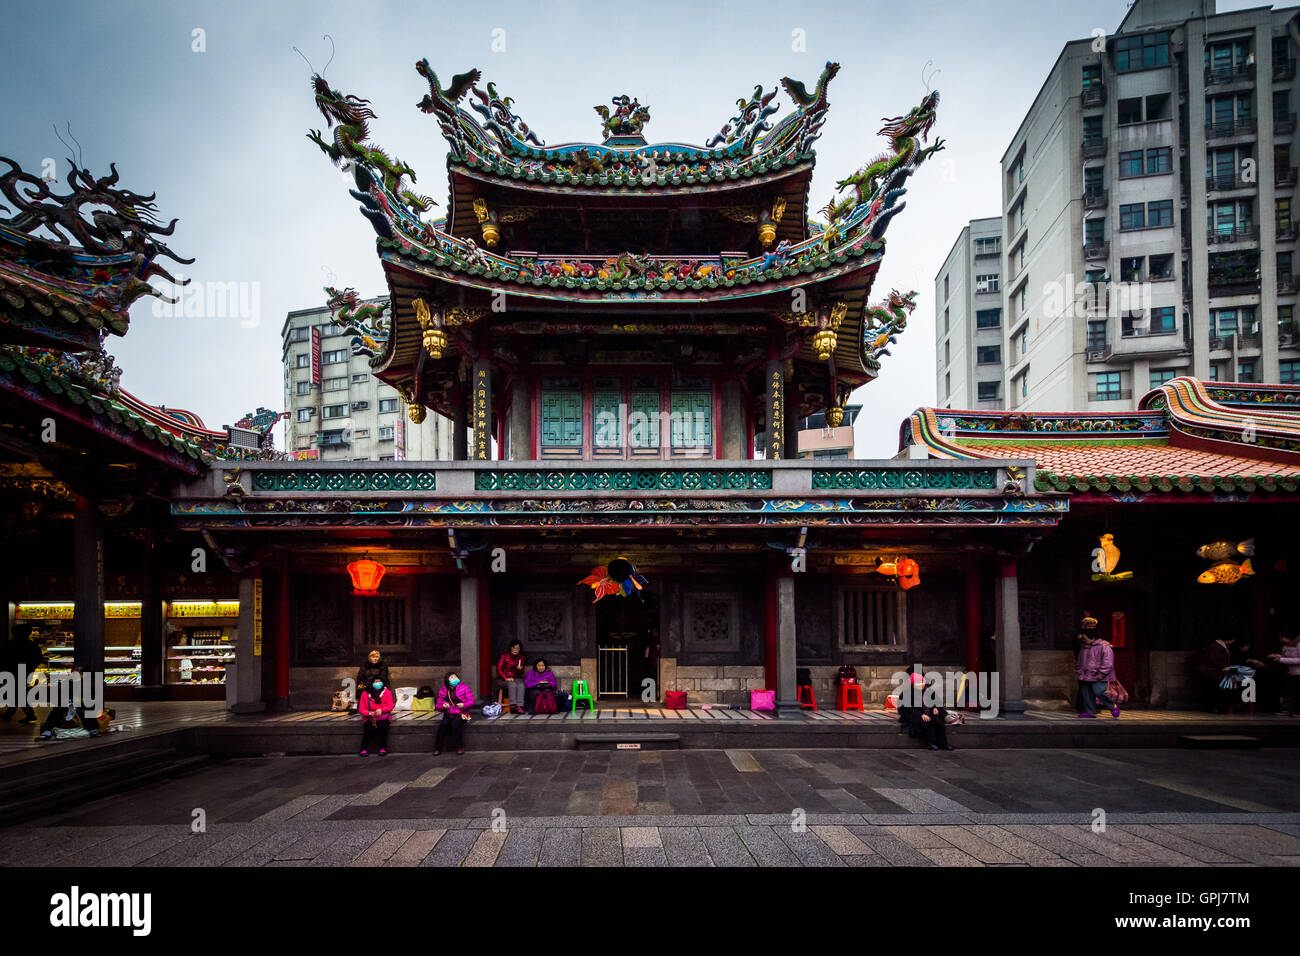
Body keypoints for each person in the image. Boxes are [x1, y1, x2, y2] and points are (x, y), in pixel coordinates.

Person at [36, 665, 100, 741]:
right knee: (57, 710)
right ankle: (47, 731)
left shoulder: (88, 684)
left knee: (87, 708)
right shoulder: (64, 683)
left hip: (81, 706)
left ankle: (93, 729)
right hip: (66, 706)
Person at [897, 670, 954, 751]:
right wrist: (920, 715)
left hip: (928, 712)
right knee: (926, 722)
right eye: (917, 683)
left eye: (922, 682)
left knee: (938, 722)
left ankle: (943, 743)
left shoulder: (929, 691)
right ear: (913, 684)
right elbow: (905, 708)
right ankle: (931, 743)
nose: (920, 684)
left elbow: (937, 702)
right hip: (914, 714)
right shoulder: (907, 693)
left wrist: (936, 708)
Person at [1, 624, 43, 724]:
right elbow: (38, 659)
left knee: (16, 693)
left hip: (12, 671)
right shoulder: (32, 646)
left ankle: (28, 714)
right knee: (18, 693)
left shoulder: (10, 645)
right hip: (25, 672)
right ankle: (12, 713)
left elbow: (3, 658)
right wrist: (31, 668)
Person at [1077, 630, 1120, 718]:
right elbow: (1080, 661)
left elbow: (1108, 662)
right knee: (1087, 694)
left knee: (1099, 691)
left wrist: (1102, 673)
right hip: (1085, 675)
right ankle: (1091, 712)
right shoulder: (1084, 647)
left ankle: (1112, 706)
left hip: (1098, 675)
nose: (1083, 640)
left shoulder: (1104, 647)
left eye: (1085, 638)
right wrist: (1079, 671)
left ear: (1092, 638)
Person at [1195, 636, 1239, 714]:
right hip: (1210, 672)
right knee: (1216, 690)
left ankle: (1218, 708)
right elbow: (1214, 659)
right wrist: (1224, 667)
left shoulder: (1222, 645)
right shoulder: (1216, 646)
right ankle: (1218, 709)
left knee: (1216, 690)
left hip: (1215, 671)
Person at [434, 671, 474, 755]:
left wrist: (463, 705)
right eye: (452, 678)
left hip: (462, 713)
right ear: (447, 680)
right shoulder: (443, 690)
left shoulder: (465, 688)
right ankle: (437, 748)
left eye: (455, 677)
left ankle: (460, 747)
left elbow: (471, 702)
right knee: (443, 725)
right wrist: (443, 706)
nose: (454, 679)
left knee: (455, 724)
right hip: (449, 713)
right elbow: (437, 705)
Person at [358, 678, 394, 756]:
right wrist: (369, 713)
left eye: (380, 681)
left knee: (383, 727)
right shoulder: (365, 693)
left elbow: (390, 705)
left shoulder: (387, 692)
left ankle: (383, 748)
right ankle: (363, 749)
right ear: (371, 683)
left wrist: (382, 710)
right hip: (370, 717)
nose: (378, 683)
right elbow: (361, 708)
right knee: (368, 729)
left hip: (383, 716)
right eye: (376, 682)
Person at [1268, 634, 1300, 715]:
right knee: (1289, 692)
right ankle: (1286, 709)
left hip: (1298, 672)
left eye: (1282, 637)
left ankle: (1297, 710)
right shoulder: (1285, 646)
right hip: (1290, 672)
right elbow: (1284, 656)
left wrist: (1281, 659)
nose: (1281, 640)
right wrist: (1277, 656)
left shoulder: (1298, 644)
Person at [496, 641, 526, 714]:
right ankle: (513, 705)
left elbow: (521, 672)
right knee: (512, 684)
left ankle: (519, 706)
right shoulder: (504, 656)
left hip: (516, 678)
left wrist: (520, 669)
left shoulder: (521, 657)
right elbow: (499, 669)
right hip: (503, 679)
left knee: (521, 685)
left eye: (517, 648)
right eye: (513, 648)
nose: (515, 650)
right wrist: (506, 678)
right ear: (510, 648)